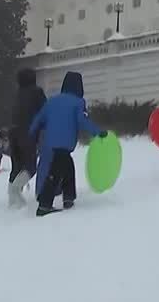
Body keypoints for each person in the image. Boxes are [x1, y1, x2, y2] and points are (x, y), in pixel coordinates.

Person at [28, 71, 106, 216]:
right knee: (55, 172)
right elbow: (82, 120)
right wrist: (97, 132)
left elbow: (39, 118)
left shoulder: (52, 101)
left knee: (67, 166)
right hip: (64, 143)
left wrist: (31, 133)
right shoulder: (78, 102)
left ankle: (69, 197)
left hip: (51, 141)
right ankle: (44, 205)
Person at [7, 68, 47, 208]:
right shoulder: (37, 92)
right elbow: (44, 111)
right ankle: (16, 190)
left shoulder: (17, 94)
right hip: (27, 132)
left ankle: (12, 199)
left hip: (13, 132)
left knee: (16, 166)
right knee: (30, 167)